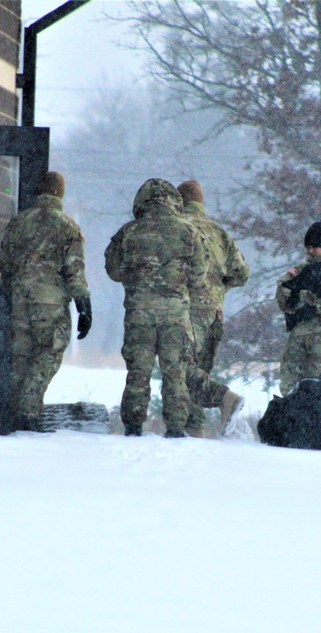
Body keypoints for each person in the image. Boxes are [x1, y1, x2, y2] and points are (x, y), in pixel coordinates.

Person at [105, 178, 244, 438]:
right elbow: (199, 275)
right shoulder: (193, 232)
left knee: (138, 370)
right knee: (177, 372)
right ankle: (178, 428)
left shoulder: (130, 231)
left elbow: (114, 270)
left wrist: (138, 279)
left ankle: (134, 426)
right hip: (178, 314)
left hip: (140, 313)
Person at [0, 171, 92, 432]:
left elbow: (4, 266)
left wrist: (13, 292)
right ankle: (27, 413)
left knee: (21, 357)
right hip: (50, 302)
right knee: (49, 353)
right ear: (60, 194)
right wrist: (84, 307)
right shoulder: (67, 227)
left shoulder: (18, 223)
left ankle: (15, 416)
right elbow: (74, 271)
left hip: (20, 299)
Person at [177, 180, 250, 437]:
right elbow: (241, 274)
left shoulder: (178, 228)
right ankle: (195, 433)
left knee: (178, 365)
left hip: (185, 310)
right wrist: (218, 288)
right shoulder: (219, 233)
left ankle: (225, 398)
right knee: (199, 370)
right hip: (214, 313)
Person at [275, 221, 321, 395]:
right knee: (289, 387)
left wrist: (306, 295)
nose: (310, 251)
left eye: (314, 247)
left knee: (318, 390)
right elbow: (283, 296)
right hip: (300, 334)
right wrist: (292, 292)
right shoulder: (301, 271)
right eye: (307, 247)